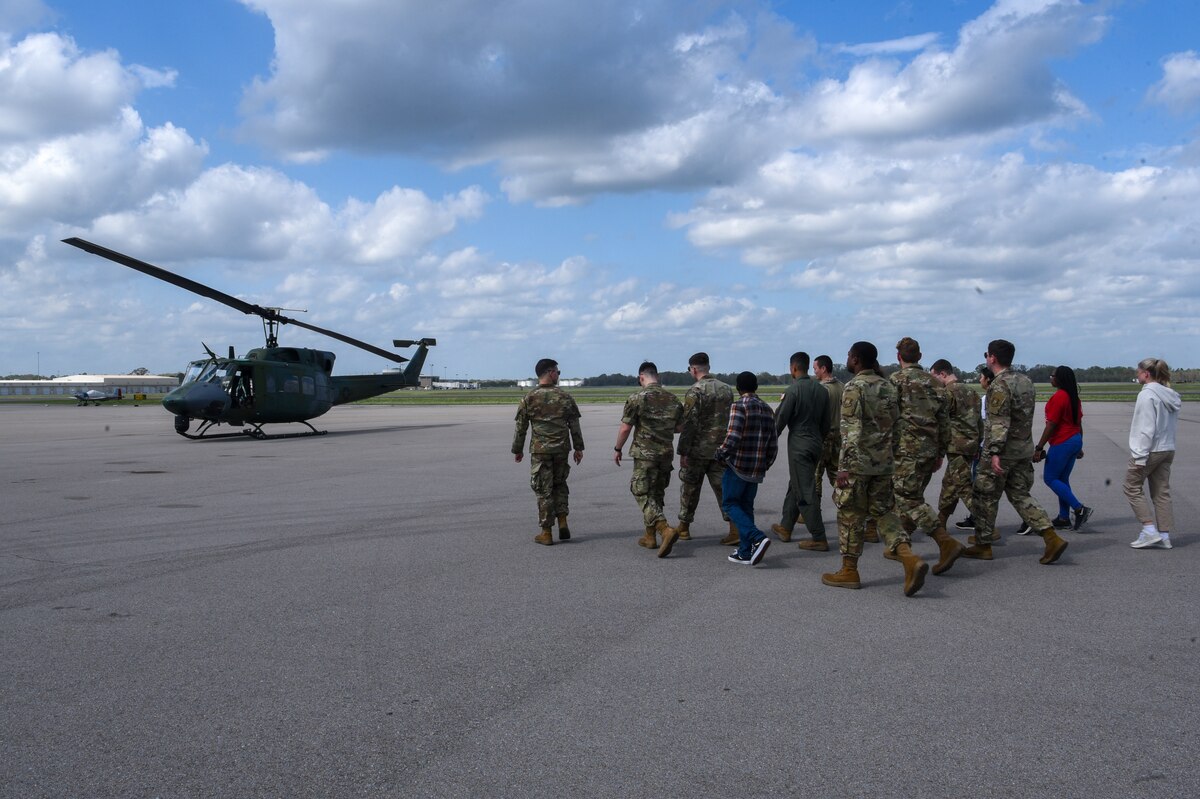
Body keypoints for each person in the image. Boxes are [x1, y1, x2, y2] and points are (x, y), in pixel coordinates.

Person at [822, 341, 930, 596]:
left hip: (858, 464)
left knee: (850, 515)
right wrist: (889, 455)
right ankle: (909, 558)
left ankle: (849, 570)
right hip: (883, 464)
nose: (847, 359)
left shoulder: (854, 387)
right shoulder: (888, 386)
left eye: (849, 356)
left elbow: (851, 429)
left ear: (857, 360)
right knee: (884, 513)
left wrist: (844, 467)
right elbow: (897, 427)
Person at [960, 340, 1068, 565]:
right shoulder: (1025, 381)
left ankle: (983, 544)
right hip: (1023, 449)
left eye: (987, 355)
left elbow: (1000, 422)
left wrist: (995, 452)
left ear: (993, 358)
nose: (986, 359)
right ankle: (1050, 537)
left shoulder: (1000, 385)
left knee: (984, 496)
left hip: (1003, 451)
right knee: (1020, 494)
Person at [888, 338, 962, 575]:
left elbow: (887, 417)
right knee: (913, 495)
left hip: (905, 451)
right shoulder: (935, 383)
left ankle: (945, 541)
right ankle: (900, 543)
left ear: (899, 357)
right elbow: (944, 421)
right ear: (919, 357)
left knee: (908, 499)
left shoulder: (895, 381)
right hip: (929, 450)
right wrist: (940, 452)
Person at [614, 362, 684, 557]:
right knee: (656, 494)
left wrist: (618, 448)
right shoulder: (673, 399)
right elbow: (680, 427)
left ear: (641, 377)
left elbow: (626, 427)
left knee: (641, 491)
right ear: (657, 376)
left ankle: (664, 529)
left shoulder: (637, 398)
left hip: (645, 455)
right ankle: (650, 537)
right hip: (665, 454)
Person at [512, 358, 584, 545]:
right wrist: (578, 448)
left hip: (540, 451)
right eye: (558, 373)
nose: (559, 376)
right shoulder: (565, 397)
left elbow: (521, 427)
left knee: (544, 490)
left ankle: (546, 532)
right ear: (551, 373)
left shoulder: (529, 397)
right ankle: (562, 522)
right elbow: (574, 425)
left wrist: (517, 450)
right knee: (560, 485)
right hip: (561, 449)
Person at [676, 353, 738, 545]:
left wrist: (683, 451)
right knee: (724, 489)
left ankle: (684, 527)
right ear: (708, 367)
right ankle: (734, 529)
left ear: (693, 369)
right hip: (722, 449)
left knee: (690, 488)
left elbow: (689, 424)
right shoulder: (727, 390)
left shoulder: (695, 391)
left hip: (698, 450)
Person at [716, 371, 778, 566]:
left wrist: (720, 453)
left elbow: (733, 436)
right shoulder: (767, 409)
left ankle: (757, 537)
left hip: (738, 466)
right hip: (757, 468)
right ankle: (745, 551)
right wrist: (764, 464)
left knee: (730, 504)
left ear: (738, 387)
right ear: (756, 387)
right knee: (746, 507)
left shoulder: (739, 406)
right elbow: (773, 444)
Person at [771, 352, 831, 550]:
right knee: (796, 483)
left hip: (799, 444)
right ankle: (786, 526)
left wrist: (769, 443)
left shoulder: (793, 390)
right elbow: (826, 423)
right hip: (816, 442)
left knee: (805, 491)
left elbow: (780, 421)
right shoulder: (822, 390)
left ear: (793, 368)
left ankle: (818, 536)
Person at [1125, 358, 1181, 549]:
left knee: (1131, 487)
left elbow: (1145, 428)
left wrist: (1139, 456)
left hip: (1151, 450)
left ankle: (1149, 530)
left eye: (1138, 372)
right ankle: (1164, 535)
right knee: (1161, 491)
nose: (1137, 375)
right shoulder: (1170, 394)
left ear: (1146, 374)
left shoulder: (1147, 395)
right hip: (1168, 449)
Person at [1033, 365, 1092, 531]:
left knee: (1050, 478)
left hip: (1063, 441)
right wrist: (1079, 444)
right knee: (1063, 479)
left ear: (1060, 379)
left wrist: (1039, 447)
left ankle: (1079, 509)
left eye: (1053, 375)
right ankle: (1064, 517)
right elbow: (1078, 423)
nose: (1050, 378)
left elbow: (1051, 424)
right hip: (1074, 439)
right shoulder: (1074, 397)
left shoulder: (1059, 397)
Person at [930, 359, 981, 534]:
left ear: (942, 374)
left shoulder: (947, 393)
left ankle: (985, 523)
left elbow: (942, 424)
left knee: (963, 486)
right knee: (950, 484)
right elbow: (979, 421)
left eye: (934, 377)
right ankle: (941, 522)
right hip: (970, 445)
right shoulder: (972, 392)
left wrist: (939, 451)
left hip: (956, 446)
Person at [954, 368, 993, 531]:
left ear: (988, 379)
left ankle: (981, 522)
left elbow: (982, 423)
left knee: (979, 486)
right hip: (991, 446)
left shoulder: (986, 399)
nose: (980, 379)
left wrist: (978, 444)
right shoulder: (983, 397)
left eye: (981, 377)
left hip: (985, 448)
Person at [813, 355, 843, 498]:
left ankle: (813, 510)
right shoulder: (842, 386)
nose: (815, 372)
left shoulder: (820, 389)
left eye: (816, 369)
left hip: (823, 436)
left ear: (823, 368)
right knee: (837, 473)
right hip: (839, 436)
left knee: (816, 474)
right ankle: (847, 503)